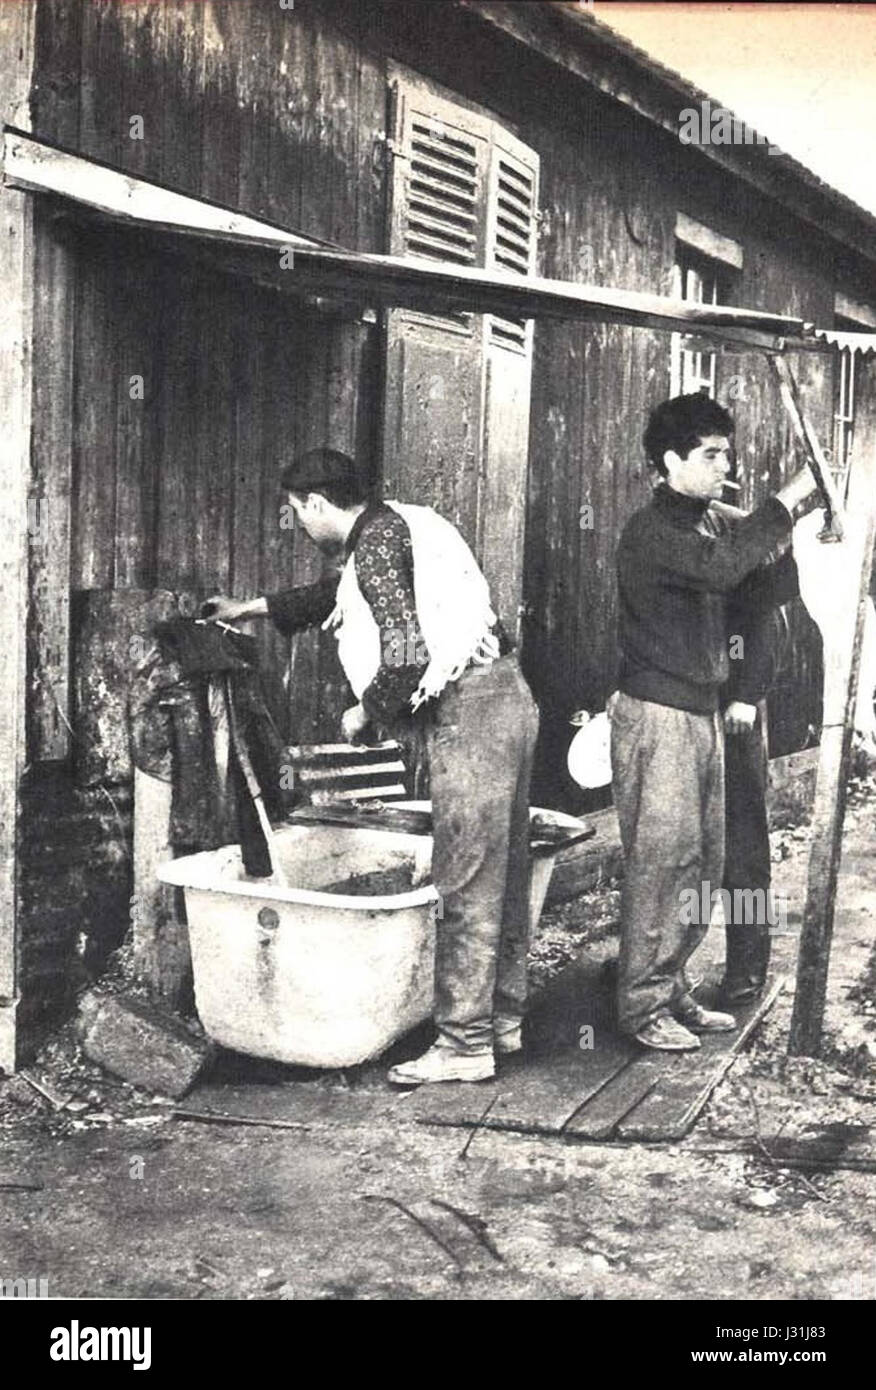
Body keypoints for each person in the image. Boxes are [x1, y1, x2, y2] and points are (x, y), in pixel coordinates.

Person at [205, 448, 540, 1085]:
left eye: (298, 514)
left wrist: (366, 712)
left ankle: (463, 1044)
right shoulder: (401, 524)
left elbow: (408, 652)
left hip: (470, 711)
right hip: (508, 697)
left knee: (463, 874)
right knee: (505, 864)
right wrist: (250, 610)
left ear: (316, 504)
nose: (301, 527)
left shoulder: (378, 546)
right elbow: (338, 594)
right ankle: (500, 1020)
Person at [610, 394, 816, 1051]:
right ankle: (640, 1007)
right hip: (659, 715)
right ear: (670, 461)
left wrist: (793, 545)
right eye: (711, 454)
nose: (725, 465)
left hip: (700, 713)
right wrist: (783, 506)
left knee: (704, 866)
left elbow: (752, 591)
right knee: (663, 865)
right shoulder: (652, 532)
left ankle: (670, 989)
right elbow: (723, 569)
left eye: (727, 452)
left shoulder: (707, 525)